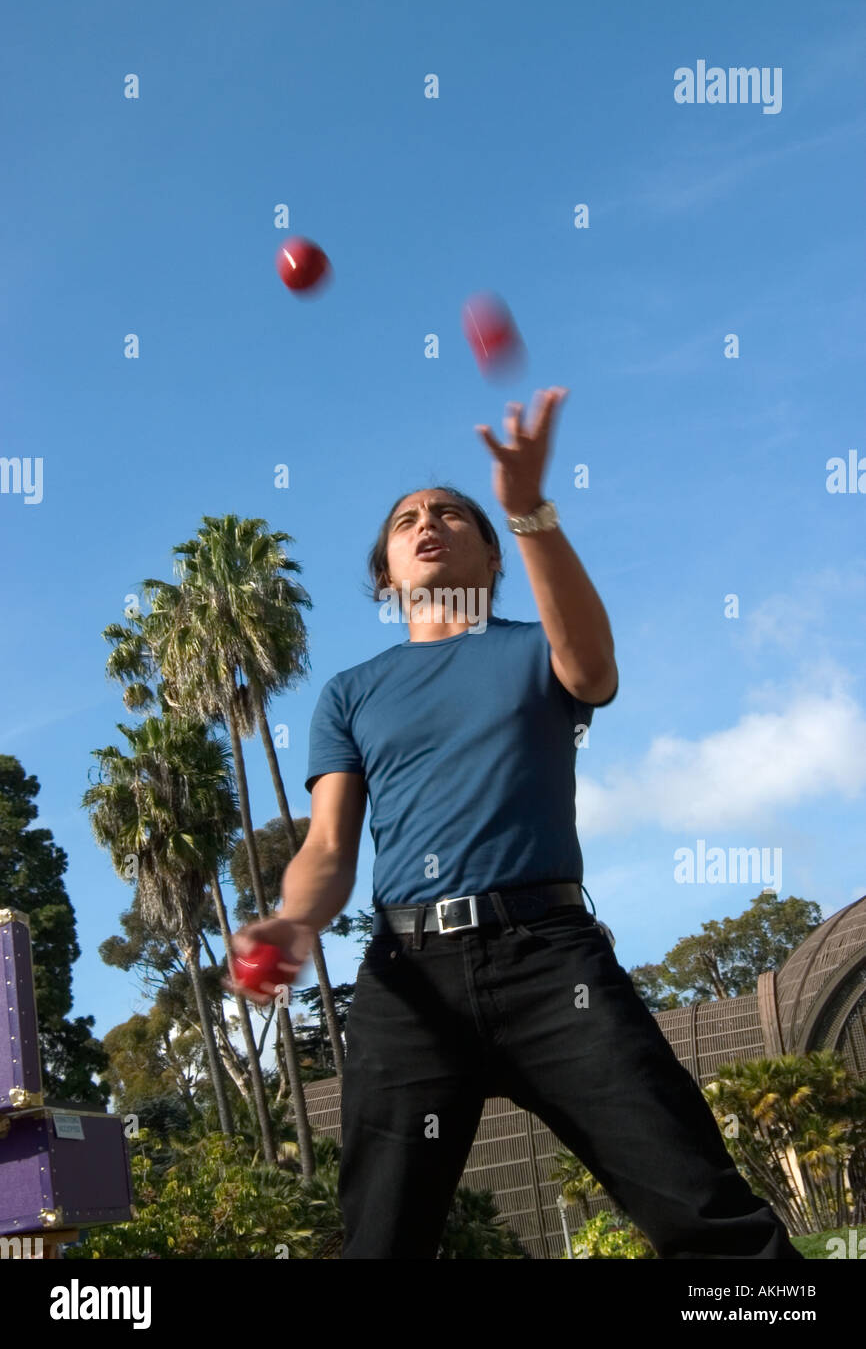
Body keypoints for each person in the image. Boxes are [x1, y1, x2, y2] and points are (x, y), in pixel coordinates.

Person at [229, 387, 804, 1261]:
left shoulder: (537, 648)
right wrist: (293, 919)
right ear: (387, 573)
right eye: (407, 520)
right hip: (407, 983)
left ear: (492, 556)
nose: (428, 523)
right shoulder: (350, 692)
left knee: (707, 1217)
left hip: (550, 960)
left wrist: (530, 509)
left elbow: (594, 666)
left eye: (453, 514)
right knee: (379, 1245)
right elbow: (329, 847)